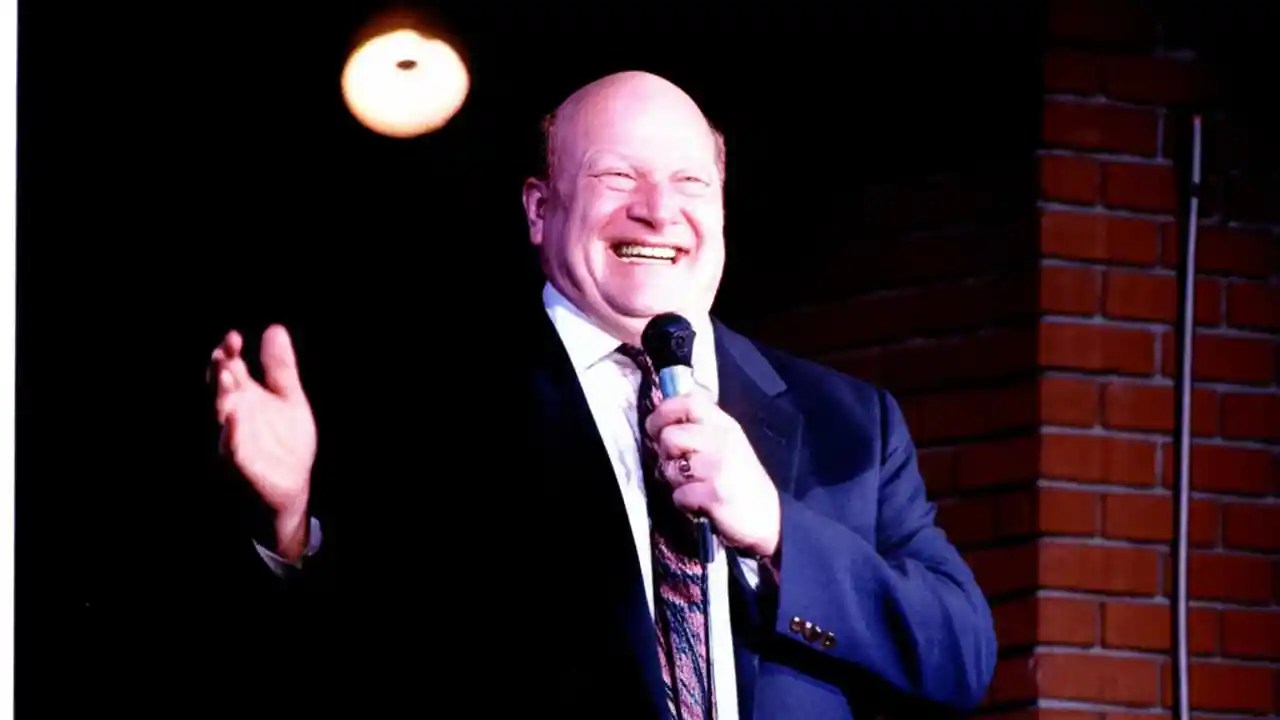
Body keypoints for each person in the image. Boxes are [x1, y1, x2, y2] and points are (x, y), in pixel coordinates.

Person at [208, 70, 996, 719]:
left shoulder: (849, 424)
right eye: (618, 175)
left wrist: (778, 532)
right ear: (540, 210)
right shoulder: (430, 406)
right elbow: (336, 671)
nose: (657, 208)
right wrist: (285, 528)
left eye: (689, 180)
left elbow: (961, 657)